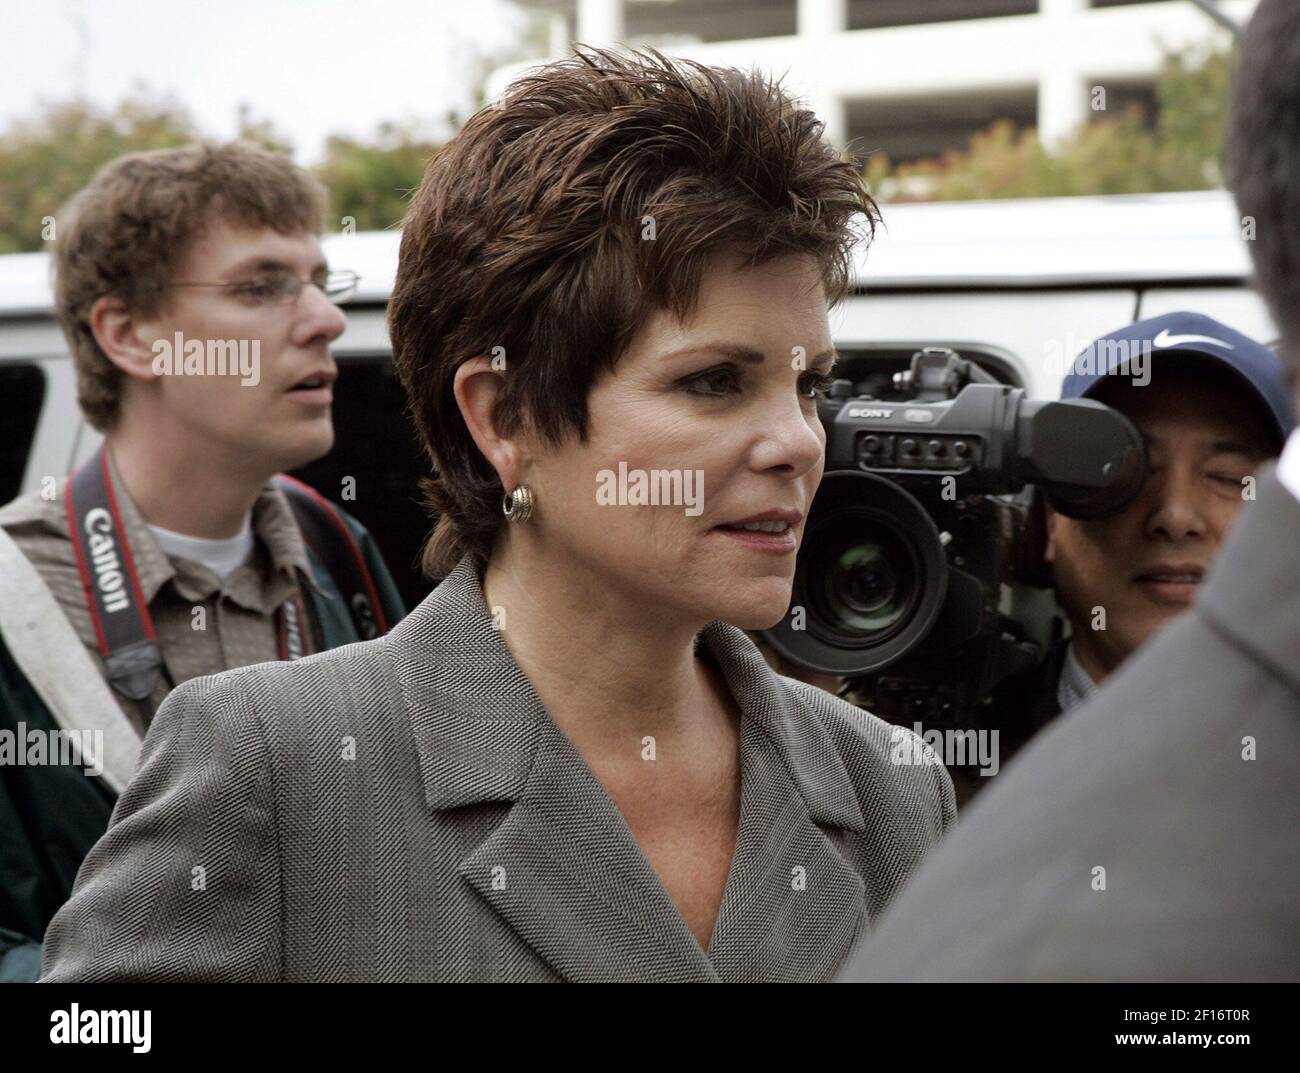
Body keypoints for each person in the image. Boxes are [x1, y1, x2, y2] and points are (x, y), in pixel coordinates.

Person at [38, 47, 954, 984]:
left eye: (812, 385)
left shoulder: (888, 785)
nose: (797, 442)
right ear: (503, 416)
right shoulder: (273, 763)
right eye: (713, 381)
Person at [838, 0, 1300, 982]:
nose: (1176, 513)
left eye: (1232, 478)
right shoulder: (909, 774)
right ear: (1038, 526)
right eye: (1115, 470)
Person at [0, 141, 405, 981]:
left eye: (320, 282)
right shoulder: (10, 595)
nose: (326, 318)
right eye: (261, 287)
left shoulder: (340, 553)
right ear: (128, 333)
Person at [949, 312, 1293, 807]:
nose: (1175, 516)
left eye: (1227, 475)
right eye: (1127, 469)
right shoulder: (931, 786)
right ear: (1048, 523)